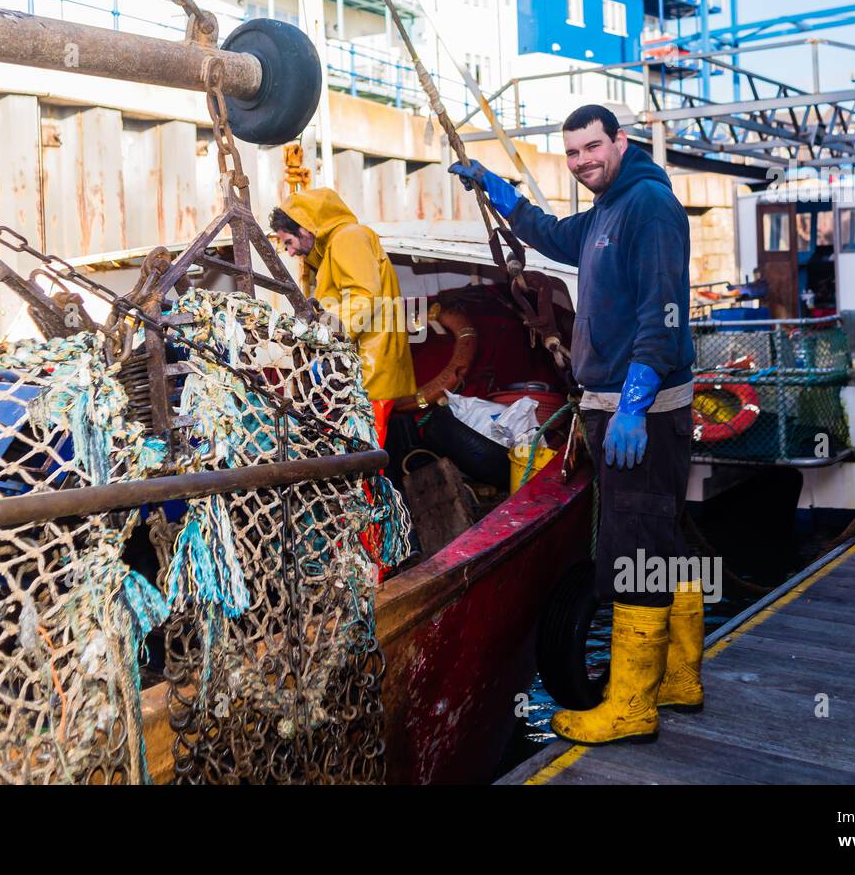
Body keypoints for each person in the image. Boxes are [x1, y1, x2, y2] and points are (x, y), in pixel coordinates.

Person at [449, 105, 702, 747]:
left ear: (620, 140)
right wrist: (500, 194)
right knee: (662, 542)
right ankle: (677, 677)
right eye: (572, 153)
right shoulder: (609, 208)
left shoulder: (647, 206)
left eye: (592, 147)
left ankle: (631, 707)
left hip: (638, 412)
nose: (583, 161)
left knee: (637, 551)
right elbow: (556, 235)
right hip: (622, 404)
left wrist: (632, 408)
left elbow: (663, 316)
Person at [269, 187, 416, 447]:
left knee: (366, 454)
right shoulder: (334, 249)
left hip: (371, 372)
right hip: (363, 372)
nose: (290, 252)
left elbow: (363, 295)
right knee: (362, 450)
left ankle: (368, 490)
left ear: (305, 228)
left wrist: (323, 332)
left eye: (289, 242)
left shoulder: (348, 238)